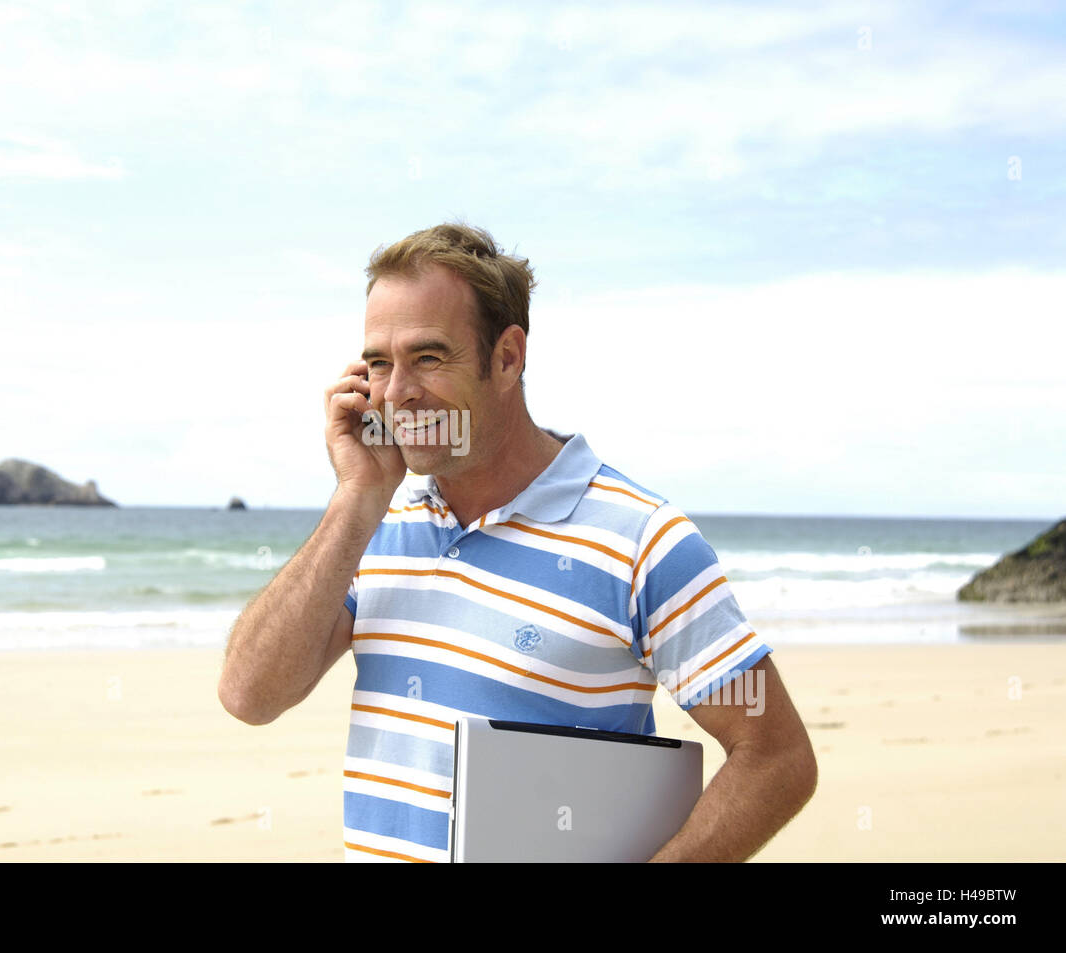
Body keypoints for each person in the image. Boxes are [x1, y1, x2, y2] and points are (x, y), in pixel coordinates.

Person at [218, 223, 817, 863]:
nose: (396, 393)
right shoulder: (371, 525)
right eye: (378, 364)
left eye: (428, 356)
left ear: (507, 357)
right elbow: (250, 695)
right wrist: (356, 495)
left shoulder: (643, 540)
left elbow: (776, 758)